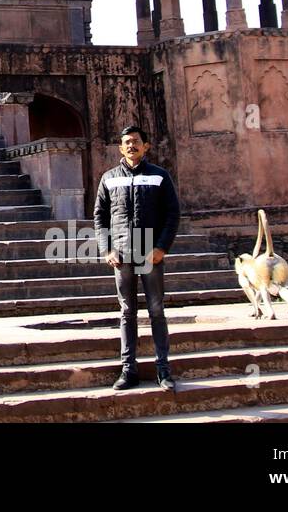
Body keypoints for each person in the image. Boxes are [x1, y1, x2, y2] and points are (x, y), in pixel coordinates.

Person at [93, 126, 181, 392]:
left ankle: (163, 370)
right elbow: (100, 216)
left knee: (156, 311)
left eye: (136, 142)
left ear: (146, 146)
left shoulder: (159, 176)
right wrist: (106, 248)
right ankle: (128, 369)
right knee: (127, 312)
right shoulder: (109, 178)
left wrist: (162, 247)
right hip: (121, 253)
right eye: (126, 143)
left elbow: (172, 214)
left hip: (149, 251)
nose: (131, 146)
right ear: (120, 148)